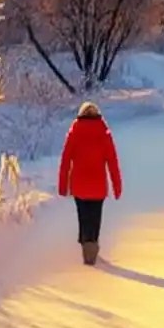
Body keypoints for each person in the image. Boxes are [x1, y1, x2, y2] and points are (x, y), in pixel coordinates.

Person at [57, 101, 123, 265]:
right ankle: (91, 244)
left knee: (83, 215)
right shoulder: (104, 133)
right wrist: (117, 186)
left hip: (79, 185)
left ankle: (85, 242)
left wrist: (62, 186)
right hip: (98, 185)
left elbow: (65, 161)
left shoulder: (74, 132)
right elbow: (112, 162)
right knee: (95, 216)